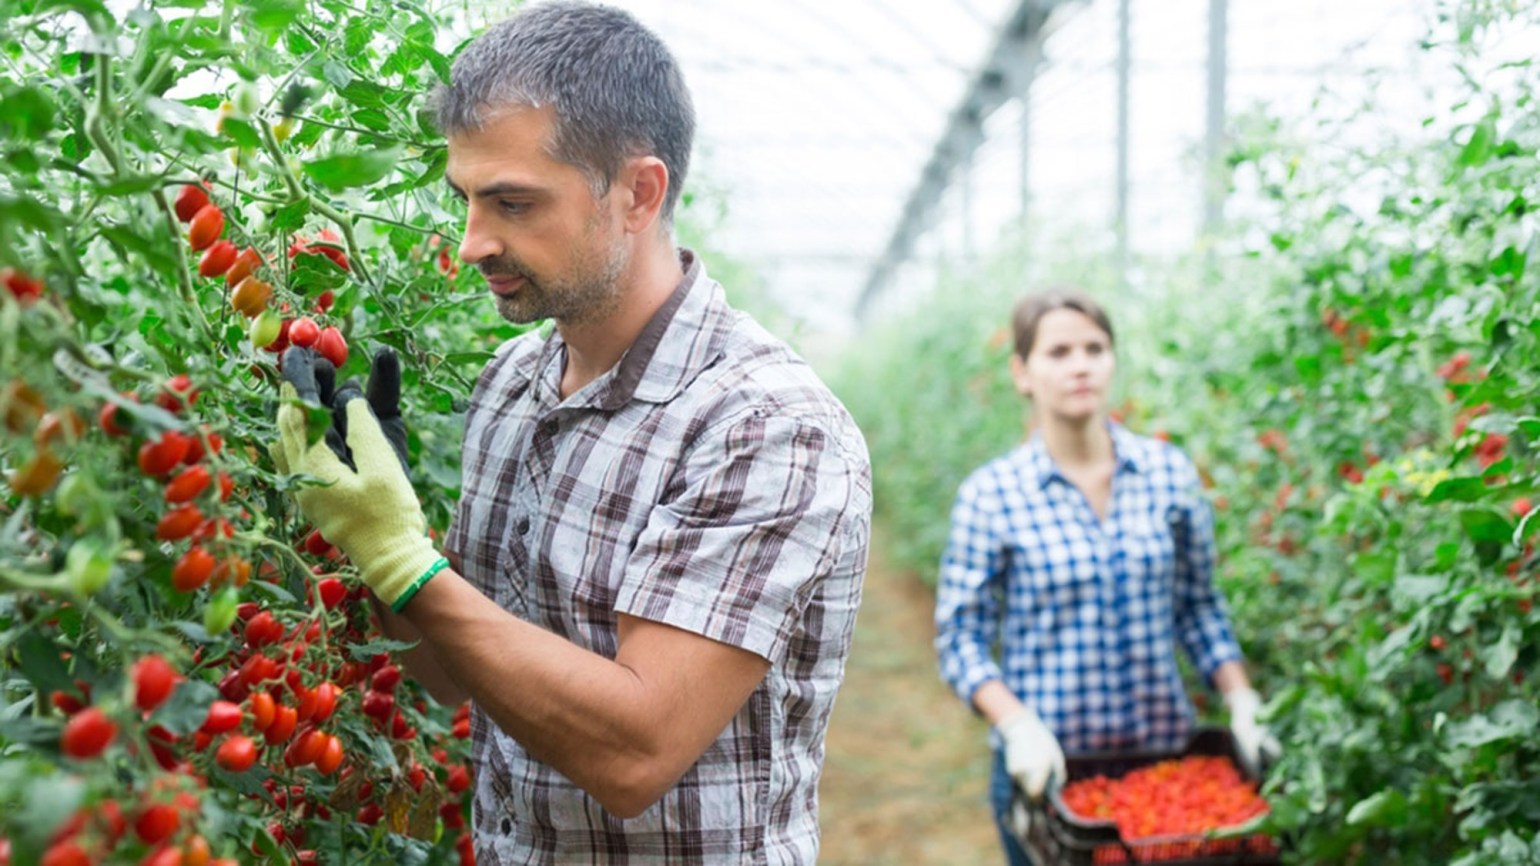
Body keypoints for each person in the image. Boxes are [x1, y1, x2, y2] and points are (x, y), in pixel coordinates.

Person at [269, 3, 873, 863]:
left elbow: (636, 751)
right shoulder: (512, 385)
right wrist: (377, 554)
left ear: (638, 192)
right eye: (467, 200)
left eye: (514, 203)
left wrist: (405, 558)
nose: (474, 241)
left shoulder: (764, 425)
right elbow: (449, 679)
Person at [933, 290, 1277, 865]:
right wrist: (1017, 724)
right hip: (1053, 779)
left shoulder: (1168, 474)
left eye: (1095, 348)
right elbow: (960, 640)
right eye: (1059, 351)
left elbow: (1197, 607)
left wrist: (1241, 697)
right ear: (1022, 372)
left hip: (1165, 768)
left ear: (1113, 360)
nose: (1080, 365)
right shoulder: (992, 496)